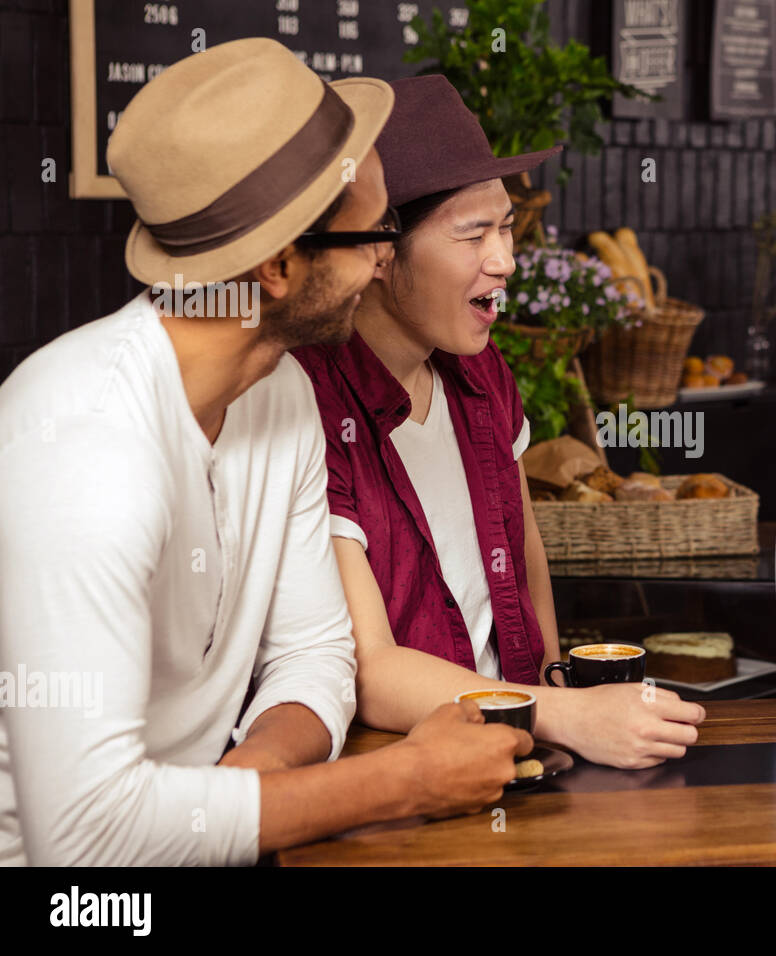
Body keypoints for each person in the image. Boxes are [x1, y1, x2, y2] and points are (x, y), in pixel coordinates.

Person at [0, 39, 530, 867]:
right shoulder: (82, 447)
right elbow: (84, 836)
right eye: (375, 235)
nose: (387, 259)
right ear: (280, 264)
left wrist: (246, 786)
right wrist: (405, 781)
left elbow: (314, 655)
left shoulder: (280, 393)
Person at [292, 75, 705, 768]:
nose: (505, 261)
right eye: (473, 233)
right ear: (381, 254)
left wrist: (553, 700)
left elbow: (525, 552)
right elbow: (372, 671)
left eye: (507, 227)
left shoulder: (481, 372)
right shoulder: (310, 399)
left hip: (521, 754)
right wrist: (568, 714)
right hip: (400, 771)